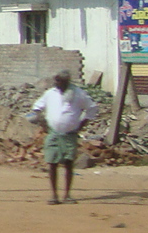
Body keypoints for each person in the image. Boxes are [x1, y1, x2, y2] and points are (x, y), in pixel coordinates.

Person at [28, 70, 99, 204]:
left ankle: (67, 195)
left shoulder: (78, 94)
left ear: (66, 81)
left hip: (69, 134)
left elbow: (92, 108)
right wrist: (42, 122)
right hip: (53, 133)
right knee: (52, 163)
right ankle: (54, 195)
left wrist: (82, 124)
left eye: (60, 81)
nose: (57, 83)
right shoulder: (50, 93)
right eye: (56, 81)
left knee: (68, 163)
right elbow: (37, 107)